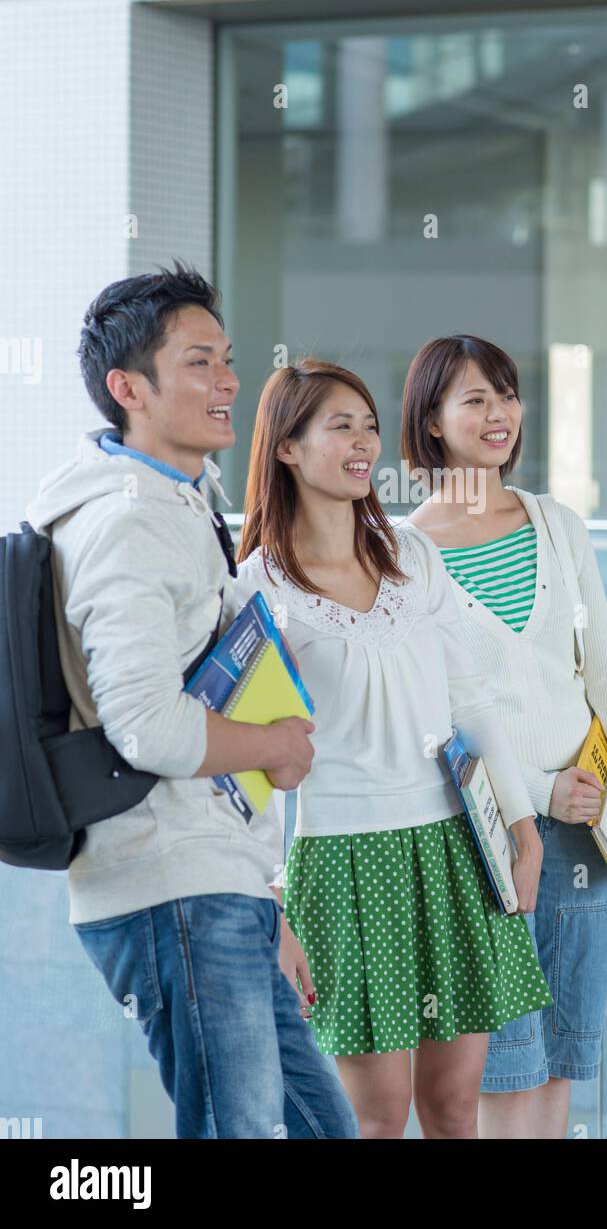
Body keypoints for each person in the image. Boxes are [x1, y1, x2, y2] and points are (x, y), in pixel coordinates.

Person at [26, 262, 357, 1140]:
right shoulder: (126, 521)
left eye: (228, 358)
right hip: (169, 884)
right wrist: (277, 746)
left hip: (214, 881)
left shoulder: (176, 502)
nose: (229, 382)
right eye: (200, 363)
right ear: (126, 387)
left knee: (320, 1129)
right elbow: (150, 728)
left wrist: (262, 900)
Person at [234, 357, 553, 1140]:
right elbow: (245, 771)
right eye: (339, 425)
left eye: (369, 425)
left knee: (452, 1111)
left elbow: (470, 698)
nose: (362, 442)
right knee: (375, 1121)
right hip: (338, 863)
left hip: (453, 844)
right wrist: (271, 910)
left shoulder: (412, 557)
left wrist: (520, 826)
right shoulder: (256, 589)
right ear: (285, 447)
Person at [400, 334, 607, 1140]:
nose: (498, 414)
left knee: (560, 1054)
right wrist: (537, 789)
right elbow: (426, 718)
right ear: (433, 420)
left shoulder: (556, 524)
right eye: (474, 399)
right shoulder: (404, 552)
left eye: (506, 395)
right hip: (484, 834)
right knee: (500, 1064)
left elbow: (606, 674)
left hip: (589, 831)